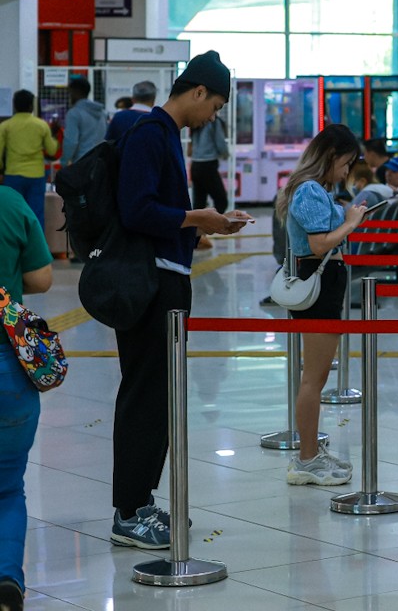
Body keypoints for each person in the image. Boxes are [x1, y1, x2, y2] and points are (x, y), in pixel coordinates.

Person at [110, 51, 252, 549]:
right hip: (150, 285)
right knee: (145, 395)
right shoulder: (151, 134)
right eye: (213, 105)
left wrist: (208, 223)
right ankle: (128, 510)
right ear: (196, 93)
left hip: (168, 277)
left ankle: (141, 501)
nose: (212, 115)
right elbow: (138, 210)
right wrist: (198, 219)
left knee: (160, 396)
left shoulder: (166, 136)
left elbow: (160, 211)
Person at [276, 124, 365, 487]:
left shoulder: (316, 190)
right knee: (313, 377)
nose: (346, 172)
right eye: (345, 164)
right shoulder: (309, 190)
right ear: (330, 157)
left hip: (325, 284)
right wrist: (351, 223)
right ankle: (306, 458)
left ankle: (311, 452)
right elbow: (317, 245)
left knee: (318, 374)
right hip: (319, 284)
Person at [0, 184, 54, 611]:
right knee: (6, 489)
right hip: (8, 369)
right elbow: (41, 277)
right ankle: (7, 579)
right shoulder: (11, 203)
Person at [0, 91, 58, 231]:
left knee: (12, 214)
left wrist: (1, 170)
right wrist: (54, 136)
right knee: (36, 213)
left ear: (14, 106)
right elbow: (51, 150)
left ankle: (14, 248)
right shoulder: (41, 125)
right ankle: (36, 249)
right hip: (36, 175)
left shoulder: (5, 126)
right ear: (31, 106)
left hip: (13, 175)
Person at [61, 79, 107, 166]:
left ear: (76, 91)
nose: (69, 96)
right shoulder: (102, 113)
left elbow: (71, 142)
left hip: (82, 162)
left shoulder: (74, 113)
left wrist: (64, 161)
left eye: (70, 92)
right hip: (99, 161)